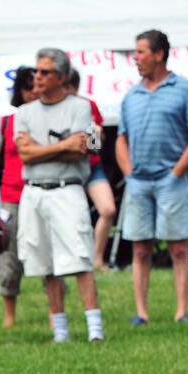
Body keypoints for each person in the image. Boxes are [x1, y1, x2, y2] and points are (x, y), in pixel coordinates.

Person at [116, 29, 188, 325]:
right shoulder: (132, 96)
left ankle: (182, 312)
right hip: (139, 182)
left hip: (172, 181)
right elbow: (121, 139)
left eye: (141, 52)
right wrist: (129, 174)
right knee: (140, 248)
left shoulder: (184, 90)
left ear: (159, 54)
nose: (136, 58)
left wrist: (176, 172)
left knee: (179, 248)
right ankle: (141, 312)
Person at [15, 49, 104, 343]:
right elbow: (24, 154)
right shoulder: (24, 112)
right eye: (36, 71)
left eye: (44, 72)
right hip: (34, 192)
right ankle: (61, 331)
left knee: (79, 257)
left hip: (68, 188)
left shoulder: (79, 106)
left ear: (62, 77)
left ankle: (95, 329)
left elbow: (81, 146)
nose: (37, 77)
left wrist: (39, 150)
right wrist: (60, 145)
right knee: (44, 262)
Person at [65, 69, 118, 272]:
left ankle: (97, 260)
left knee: (108, 209)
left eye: (72, 89)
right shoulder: (54, 109)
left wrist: (97, 134)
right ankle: (71, 262)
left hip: (91, 166)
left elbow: (97, 145)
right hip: (68, 169)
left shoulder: (88, 105)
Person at [0, 65, 36, 328]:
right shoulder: (6, 123)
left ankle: (55, 315)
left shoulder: (52, 119)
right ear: (20, 91)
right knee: (8, 255)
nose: (35, 91)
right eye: (30, 87)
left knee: (50, 253)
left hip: (41, 192)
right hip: (10, 195)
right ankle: (9, 317)